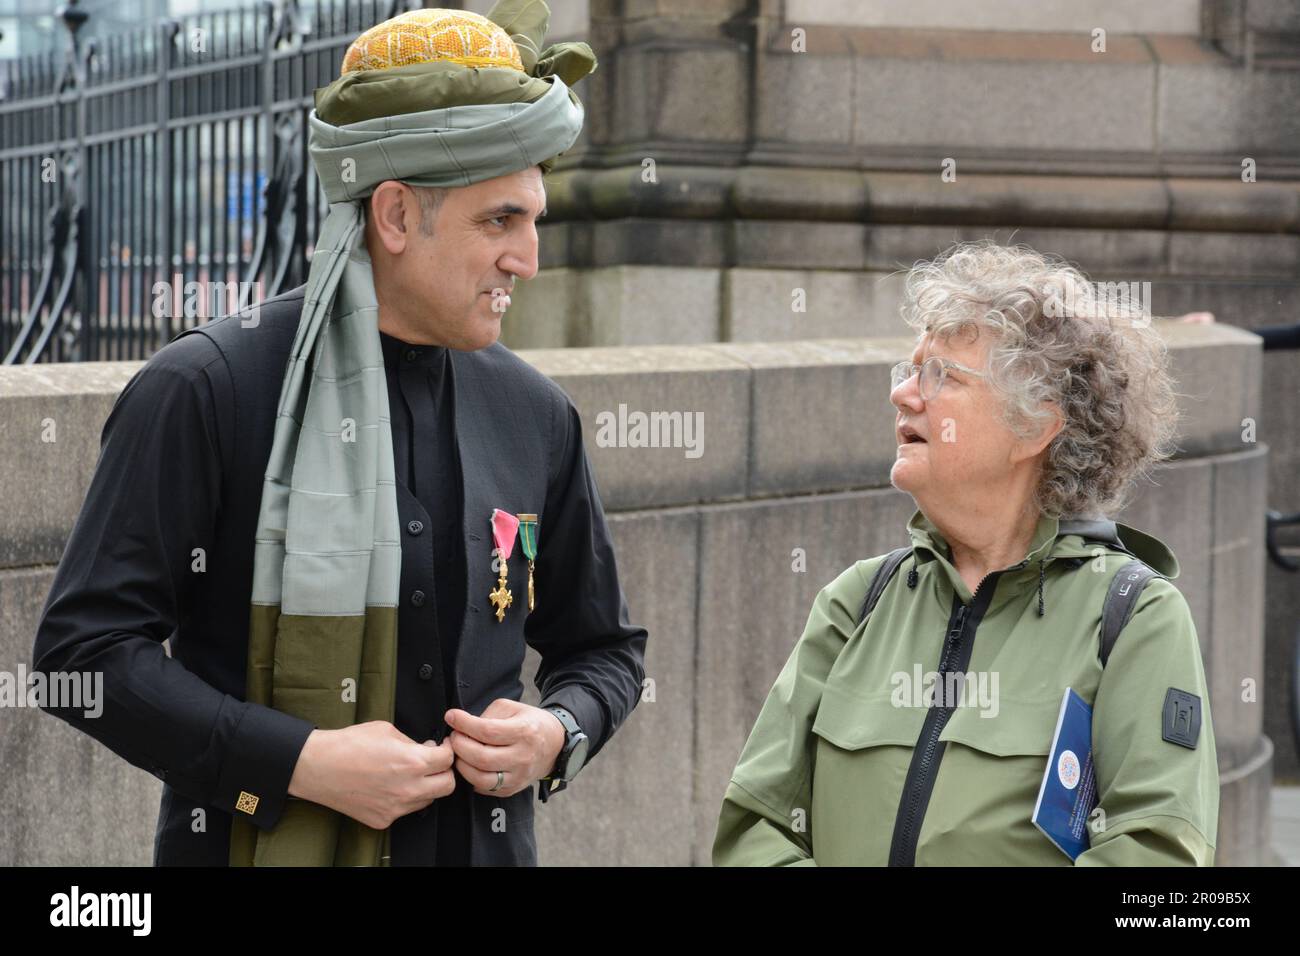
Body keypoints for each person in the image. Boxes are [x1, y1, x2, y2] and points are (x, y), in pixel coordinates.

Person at [32, 2, 647, 867]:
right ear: (394, 216)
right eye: (499, 221)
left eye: (533, 221)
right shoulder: (205, 389)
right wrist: (299, 764)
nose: (529, 259)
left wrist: (556, 731)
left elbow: (606, 650)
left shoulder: (536, 412)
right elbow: (82, 658)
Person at [713, 241, 1219, 866]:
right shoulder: (859, 602)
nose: (904, 395)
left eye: (943, 376)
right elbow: (756, 825)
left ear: (1035, 427)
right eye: (908, 371)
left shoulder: (1133, 619)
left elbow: (1157, 857)